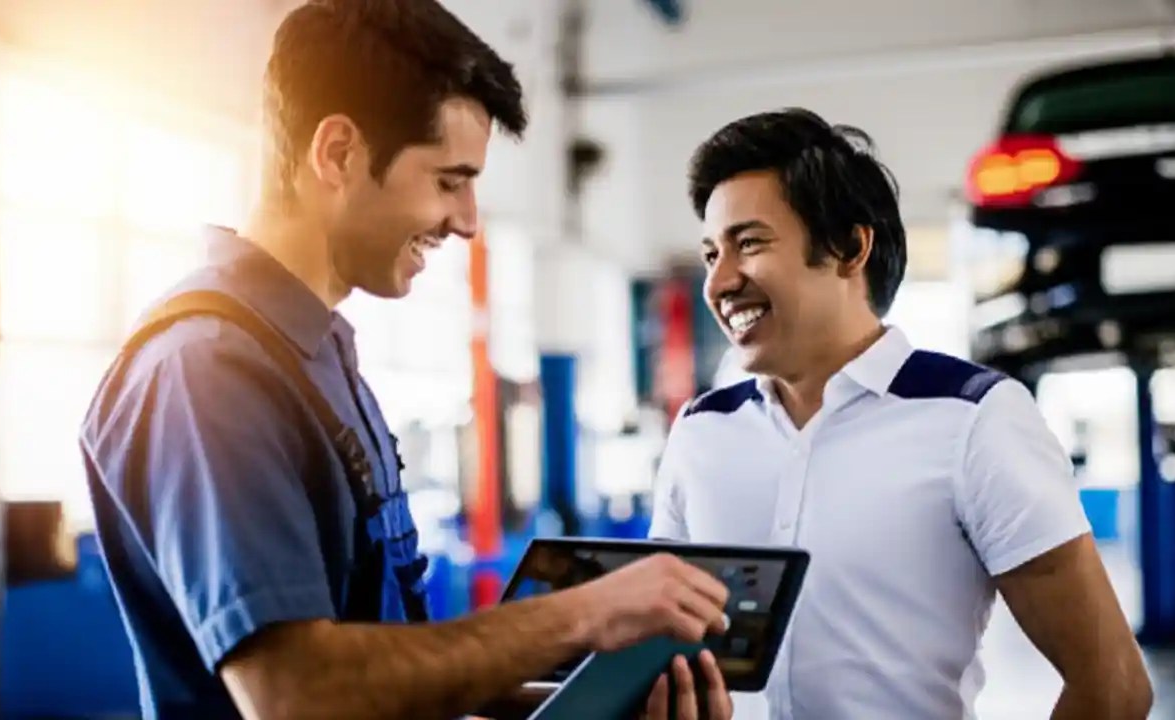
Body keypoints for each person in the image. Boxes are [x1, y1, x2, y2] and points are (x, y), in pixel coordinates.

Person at [79, 2, 733, 718]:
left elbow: (387, 659)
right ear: (337, 154)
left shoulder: (315, 353)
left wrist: (595, 698)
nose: (468, 220)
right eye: (449, 180)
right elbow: (294, 690)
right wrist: (580, 615)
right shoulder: (207, 371)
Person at [648, 107, 1154, 719]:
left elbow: (1113, 684)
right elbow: (661, 660)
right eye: (710, 255)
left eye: (749, 244)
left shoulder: (973, 420)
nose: (720, 283)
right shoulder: (702, 433)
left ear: (848, 247)